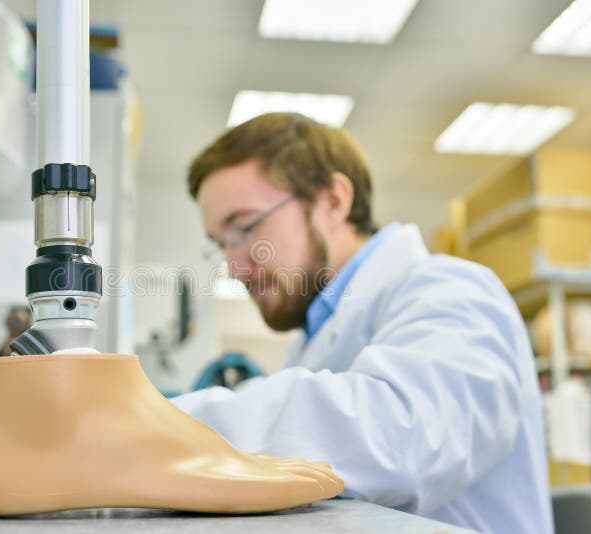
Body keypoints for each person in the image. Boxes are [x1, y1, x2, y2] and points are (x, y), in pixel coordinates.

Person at [171, 112, 553, 534]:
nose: (236, 268)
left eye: (244, 228)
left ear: (334, 201)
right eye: (221, 245)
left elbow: (400, 438)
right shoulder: (314, 337)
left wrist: (166, 425)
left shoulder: (452, 290)